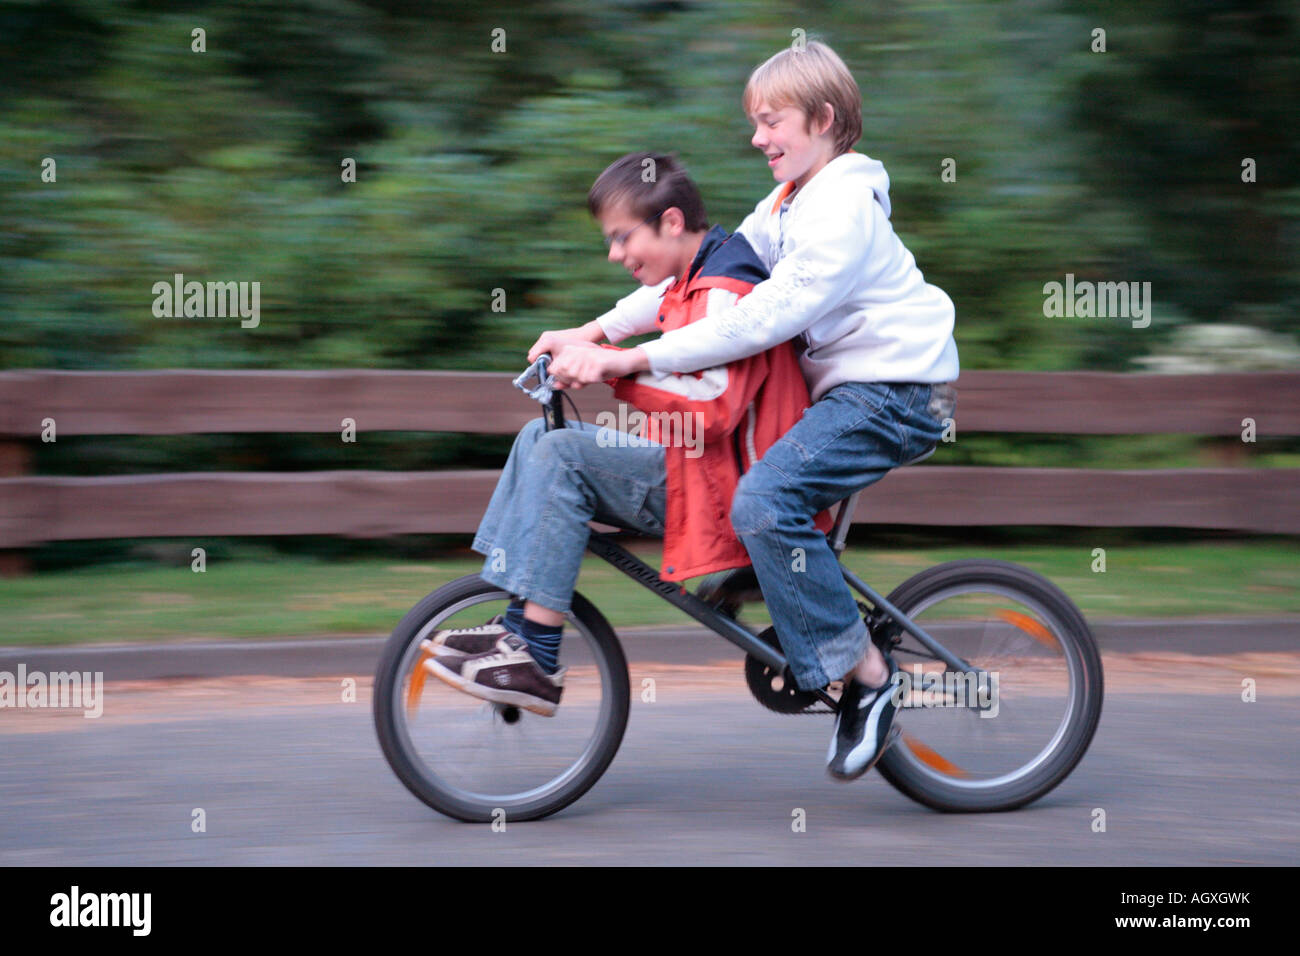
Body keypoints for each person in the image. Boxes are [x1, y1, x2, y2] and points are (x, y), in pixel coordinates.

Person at [542, 41, 960, 780]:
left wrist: (630, 360)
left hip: (893, 393)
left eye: (771, 122)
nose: (757, 137)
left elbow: (759, 318)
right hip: (850, 392)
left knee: (765, 496)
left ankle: (866, 679)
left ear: (823, 119)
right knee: (756, 494)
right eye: (755, 123)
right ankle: (772, 581)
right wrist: (597, 331)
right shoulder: (785, 204)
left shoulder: (843, 208)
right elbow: (706, 272)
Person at [423, 151, 832, 717]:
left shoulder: (724, 290)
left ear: (669, 222)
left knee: (563, 455)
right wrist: (583, 336)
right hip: (702, 466)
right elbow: (644, 309)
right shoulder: (695, 273)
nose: (614, 254)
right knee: (535, 441)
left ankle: (535, 653)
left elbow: (713, 409)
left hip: (728, 488)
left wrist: (614, 367)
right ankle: (516, 621)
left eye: (622, 238)